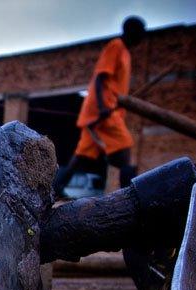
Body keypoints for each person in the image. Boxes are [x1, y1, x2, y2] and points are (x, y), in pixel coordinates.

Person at [53, 16, 147, 196]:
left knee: (80, 156)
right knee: (125, 148)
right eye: (141, 33)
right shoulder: (116, 47)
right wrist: (103, 107)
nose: (143, 38)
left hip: (106, 111)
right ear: (131, 31)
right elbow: (99, 78)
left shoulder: (126, 53)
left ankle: (54, 189)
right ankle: (131, 197)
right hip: (102, 111)